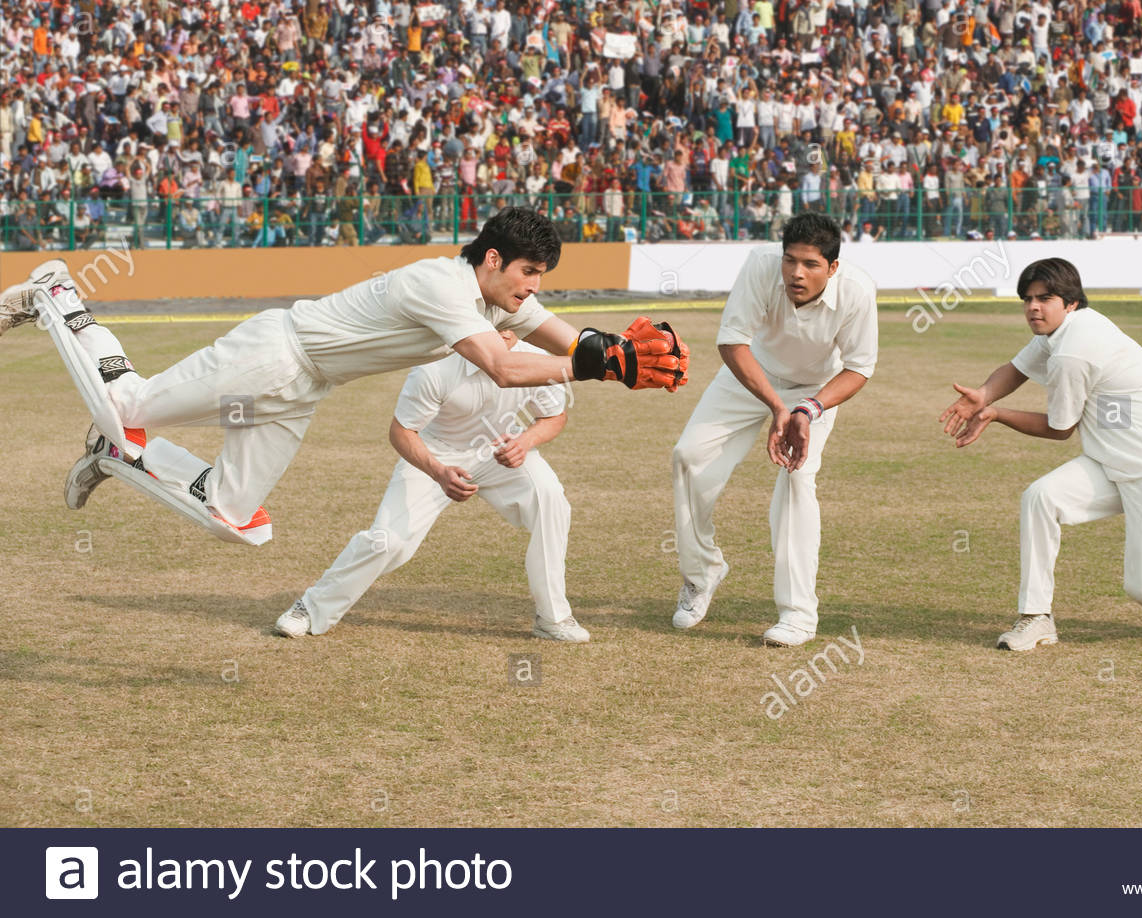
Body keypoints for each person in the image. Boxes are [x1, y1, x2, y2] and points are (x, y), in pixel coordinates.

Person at [1, 208, 687, 545]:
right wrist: (598, 365)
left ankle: (114, 457)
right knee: (130, 406)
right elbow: (506, 367)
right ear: (494, 259)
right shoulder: (441, 285)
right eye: (529, 274)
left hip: (302, 389)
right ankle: (59, 297)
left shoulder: (498, 293)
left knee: (237, 519)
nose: (533, 289)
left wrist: (616, 356)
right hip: (272, 354)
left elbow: (572, 341)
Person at [939, 258, 1142, 651]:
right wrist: (984, 394)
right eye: (1027, 299)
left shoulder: (1074, 351)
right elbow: (1017, 367)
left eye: (1045, 298)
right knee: (1041, 497)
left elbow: (1060, 430)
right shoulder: (1063, 331)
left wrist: (994, 413)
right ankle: (1036, 616)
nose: (1033, 307)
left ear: (1071, 302)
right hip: (1110, 464)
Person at [277, 330, 587, 642]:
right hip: (436, 452)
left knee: (551, 503)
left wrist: (525, 441)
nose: (505, 332)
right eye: (495, 323)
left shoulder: (536, 361)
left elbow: (553, 417)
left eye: (512, 324)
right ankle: (311, 607)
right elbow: (402, 432)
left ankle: (553, 618)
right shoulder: (435, 365)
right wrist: (437, 471)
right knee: (387, 541)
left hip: (501, 447)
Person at [670, 212, 878, 647]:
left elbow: (858, 368)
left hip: (813, 392)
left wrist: (804, 410)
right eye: (790, 261)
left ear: (833, 267)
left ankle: (798, 614)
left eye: (810, 264)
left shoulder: (857, 292)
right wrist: (774, 405)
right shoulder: (761, 265)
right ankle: (702, 572)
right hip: (750, 376)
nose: (796, 273)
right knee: (688, 457)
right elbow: (732, 342)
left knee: (797, 478)